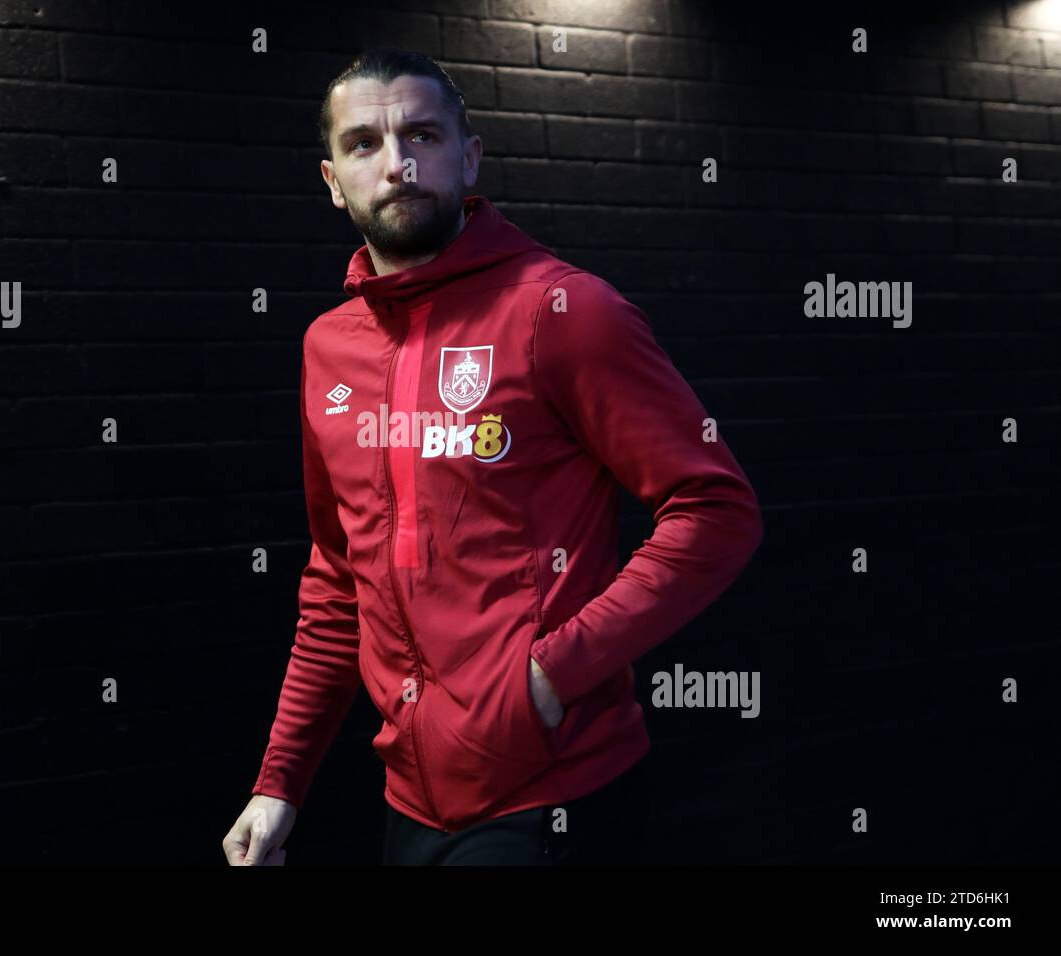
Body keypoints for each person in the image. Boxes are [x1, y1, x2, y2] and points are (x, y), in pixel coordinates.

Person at [223, 48, 762, 866]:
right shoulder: (329, 347)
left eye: (423, 135)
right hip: (410, 795)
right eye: (364, 143)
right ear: (332, 180)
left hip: (551, 793)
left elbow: (715, 510)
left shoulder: (563, 310)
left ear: (469, 157)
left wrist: (546, 678)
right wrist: (280, 781)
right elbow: (338, 576)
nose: (398, 164)